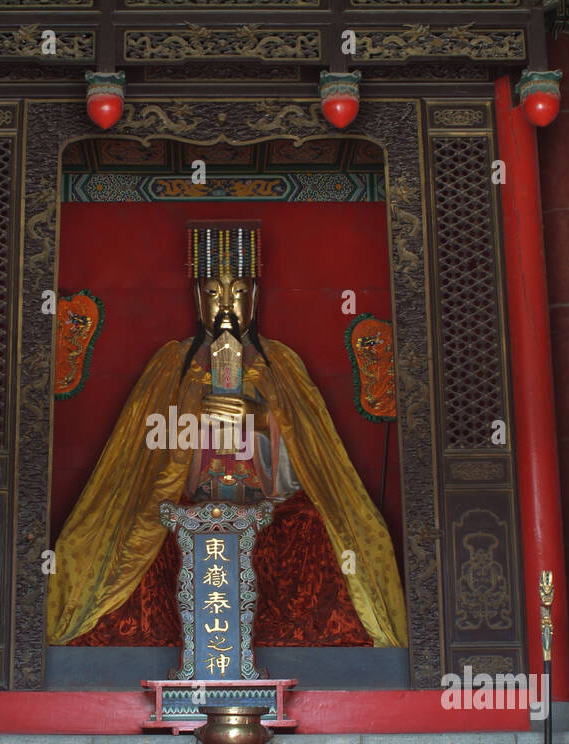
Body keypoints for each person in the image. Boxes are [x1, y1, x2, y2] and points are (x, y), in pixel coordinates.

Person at [47, 221, 405, 649]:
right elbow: (142, 455)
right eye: (214, 292)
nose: (227, 304)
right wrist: (194, 420)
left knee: (314, 527)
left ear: (255, 294)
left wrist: (259, 420)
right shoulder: (171, 363)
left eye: (238, 291)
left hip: (265, 505)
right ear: (196, 297)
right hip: (188, 501)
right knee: (137, 533)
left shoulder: (281, 365)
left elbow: (310, 455)